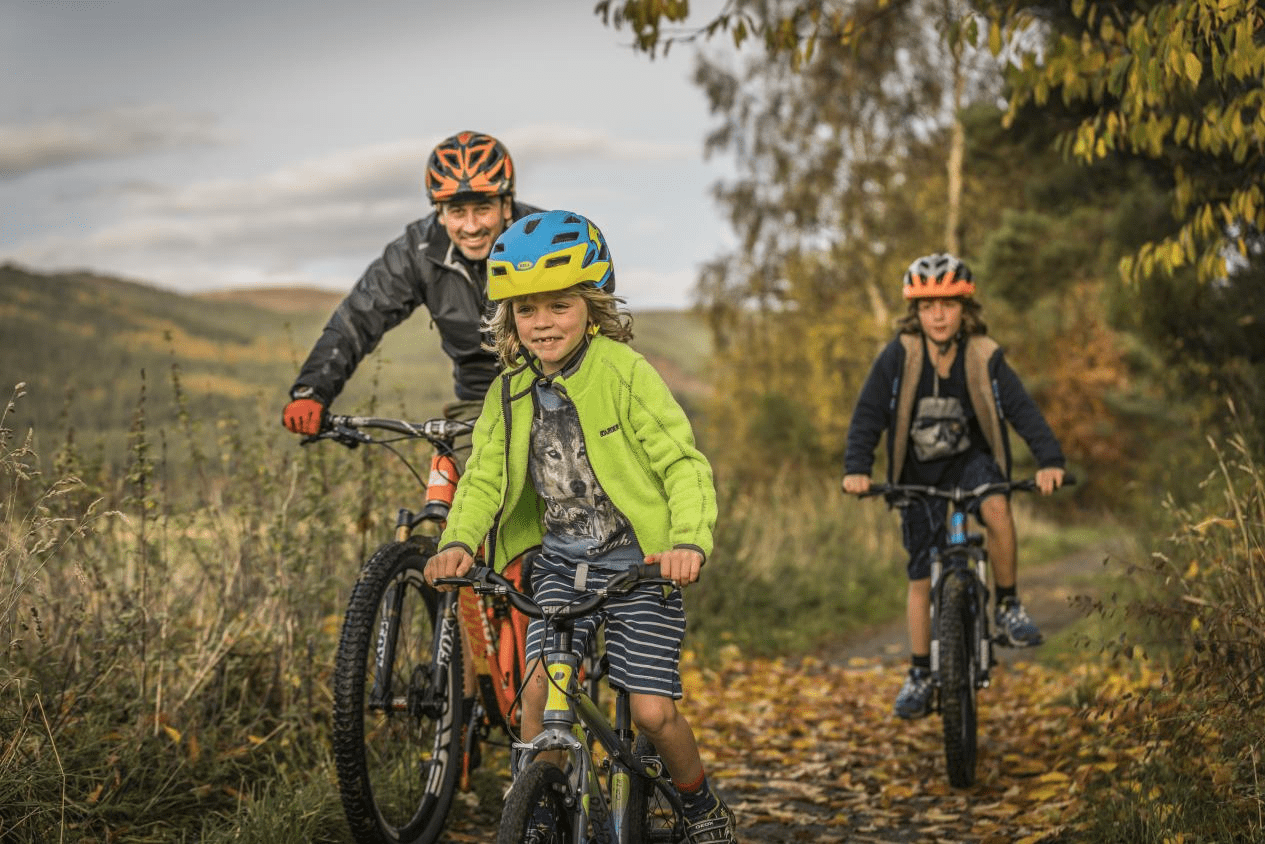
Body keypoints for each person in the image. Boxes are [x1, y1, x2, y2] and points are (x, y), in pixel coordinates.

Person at [424, 210, 738, 844]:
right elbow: (483, 477)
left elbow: (682, 463)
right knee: (538, 698)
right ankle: (539, 813)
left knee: (652, 713)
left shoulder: (624, 372)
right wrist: (457, 542)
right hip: (562, 566)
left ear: (591, 307)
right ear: (508, 318)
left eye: (559, 306)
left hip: (641, 566)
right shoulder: (507, 392)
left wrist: (685, 544)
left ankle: (700, 804)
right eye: (527, 309)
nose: (543, 322)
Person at [842, 253, 1066, 720]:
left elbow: (1021, 410)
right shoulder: (899, 355)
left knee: (999, 509)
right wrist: (857, 467)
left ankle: (1007, 604)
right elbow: (868, 414)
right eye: (927, 307)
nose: (937, 315)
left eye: (946, 304)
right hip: (917, 474)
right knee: (921, 571)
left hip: (971, 464)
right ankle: (921, 672)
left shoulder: (985, 354)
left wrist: (1049, 460)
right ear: (915, 313)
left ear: (965, 308)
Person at [281, 129, 542, 460]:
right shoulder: (416, 252)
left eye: (483, 208)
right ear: (439, 211)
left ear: (506, 205)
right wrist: (312, 391)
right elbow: (358, 318)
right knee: (472, 497)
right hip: (481, 400)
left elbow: (592, 310)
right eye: (457, 212)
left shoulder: (543, 237)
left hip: (556, 386)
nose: (472, 226)